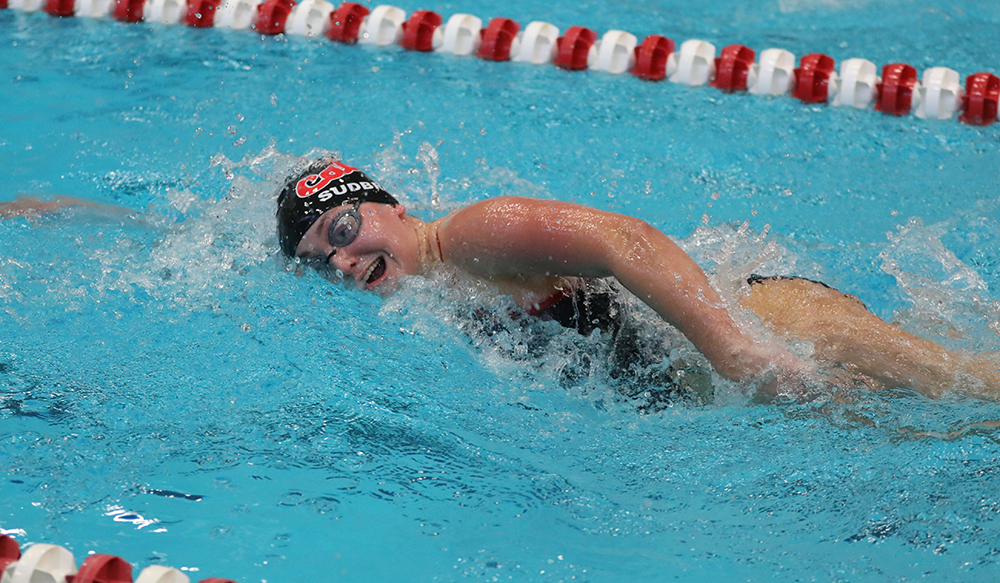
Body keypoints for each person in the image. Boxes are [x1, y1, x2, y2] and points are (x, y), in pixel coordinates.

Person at [277, 158, 1000, 400]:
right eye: (321, 258)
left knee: (970, 387)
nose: (342, 258)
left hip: (777, 326)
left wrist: (735, 351)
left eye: (343, 229)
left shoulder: (469, 235)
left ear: (393, 205)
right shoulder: (439, 293)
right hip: (725, 379)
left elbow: (626, 238)